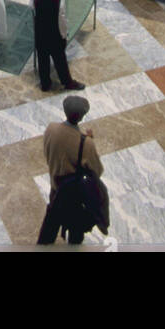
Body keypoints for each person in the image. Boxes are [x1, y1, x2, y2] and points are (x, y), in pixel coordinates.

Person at [37, 94, 104, 246]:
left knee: (50, 224)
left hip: (56, 187)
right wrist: (89, 141)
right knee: (76, 228)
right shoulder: (86, 144)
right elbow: (96, 171)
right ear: (81, 117)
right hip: (74, 195)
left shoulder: (51, 128)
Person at [32, 0, 87, 94]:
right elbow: (62, 22)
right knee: (60, 61)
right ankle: (67, 82)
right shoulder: (59, 2)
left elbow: (33, 12)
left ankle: (45, 84)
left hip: (40, 36)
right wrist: (64, 36)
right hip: (54, 38)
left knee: (43, 60)